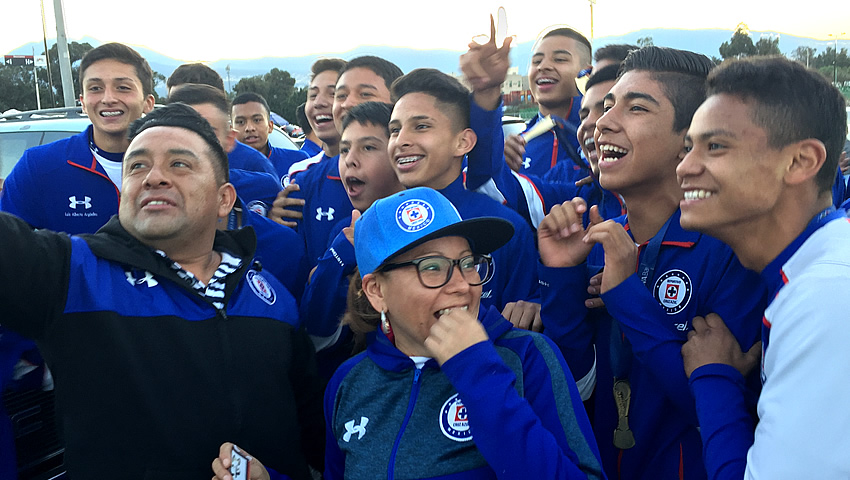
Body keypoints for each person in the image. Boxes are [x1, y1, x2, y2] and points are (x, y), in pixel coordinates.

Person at [0, 103, 325, 479]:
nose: (154, 177)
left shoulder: (269, 294)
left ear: (224, 199)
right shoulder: (71, 273)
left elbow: (310, 436)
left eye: (179, 164)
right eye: (137, 166)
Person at [213, 187, 605, 480]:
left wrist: (477, 372)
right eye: (433, 268)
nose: (463, 285)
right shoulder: (350, 383)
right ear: (377, 291)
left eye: (467, 263)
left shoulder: (526, 357)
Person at [537, 47, 766, 479]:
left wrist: (627, 297)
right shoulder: (598, 238)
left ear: (689, 139)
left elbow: (719, 408)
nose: (603, 123)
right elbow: (577, 389)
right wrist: (562, 275)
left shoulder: (732, 250)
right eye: (607, 107)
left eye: (636, 107)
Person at [678, 56, 850, 479]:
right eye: (687, 148)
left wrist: (714, 378)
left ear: (800, 162)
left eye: (714, 146)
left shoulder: (827, 297)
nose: (684, 167)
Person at [389, 68, 540, 311]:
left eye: (421, 126)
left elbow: (518, 328)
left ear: (463, 142)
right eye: (394, 130)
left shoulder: (504, 228)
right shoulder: (380, 222)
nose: (401, 140)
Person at [0, 42, 154, 234]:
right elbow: (8, 246)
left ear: (148, 103)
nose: (108, 98)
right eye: (95, 88)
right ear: (82, 102)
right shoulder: (39, 166)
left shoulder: (173, 169)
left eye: (122, 87)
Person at [276, 57, 402, 269]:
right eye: (341, 95)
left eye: (365, 94)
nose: (347, 103)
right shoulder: (304, 182)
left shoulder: (419, 174)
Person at [167, 84, 281, 213]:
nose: (194, 141)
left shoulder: (263, 186)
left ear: (229, 139)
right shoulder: (149, 188)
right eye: (184, 131)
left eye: (207, 132)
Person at [502, 26, 591, 181]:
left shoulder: (601, 136)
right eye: (536, 61)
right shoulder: (516, 149)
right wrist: (500, 172)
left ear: (586, 72)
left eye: (560, 59)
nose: (543, 67)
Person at [166, 67, 278, 177]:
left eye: (184, 103)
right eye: (172, 104)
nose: (177, 113)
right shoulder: (156, 159)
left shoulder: (254, 165)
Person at [231, 92, 309, 185]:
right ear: (231, 129)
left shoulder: (299, 161)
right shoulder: (222, 170)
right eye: (240, 122)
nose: (249, 128)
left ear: (270, 126)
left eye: (257, 120)